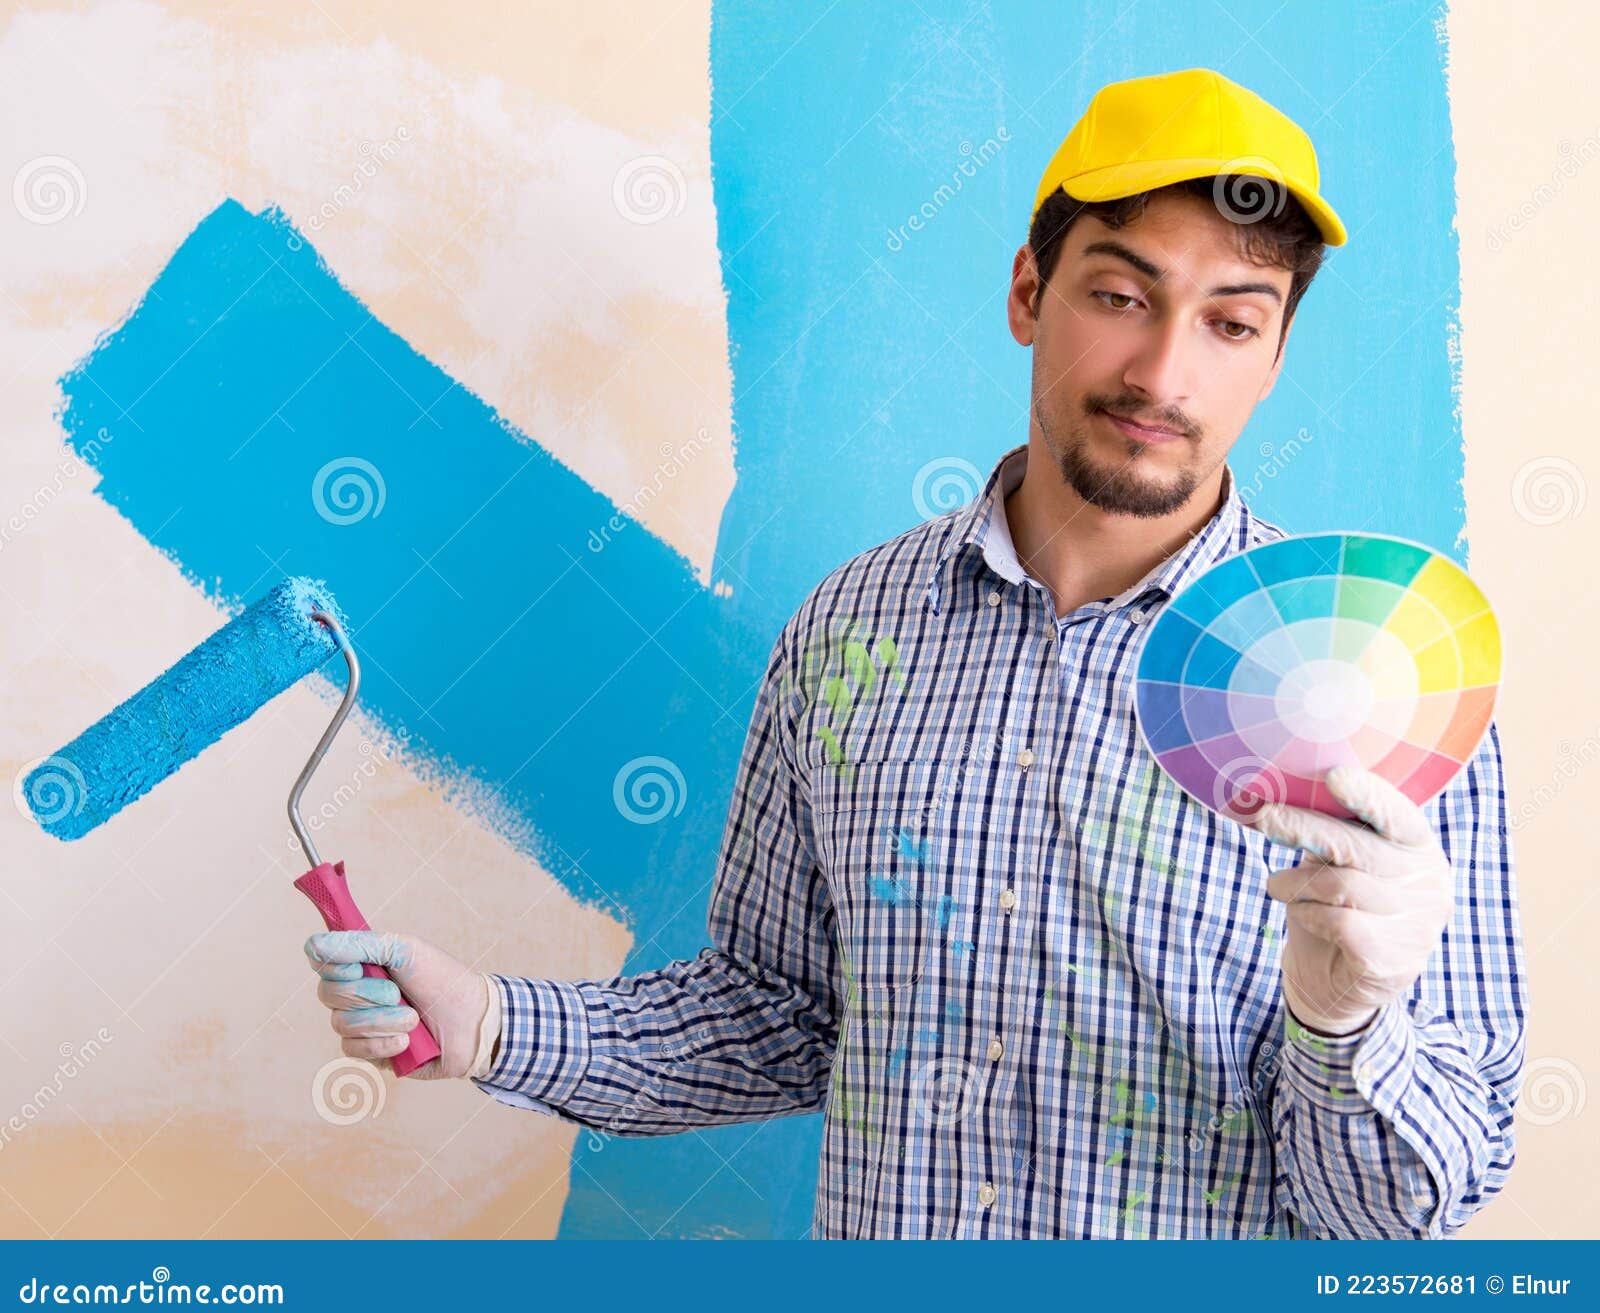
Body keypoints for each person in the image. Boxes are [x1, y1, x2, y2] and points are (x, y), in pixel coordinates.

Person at [305, 67, 1526, 1240]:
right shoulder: (849, 634)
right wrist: (492, 1027)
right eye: (1118, 295)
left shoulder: (1374, 685)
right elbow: (777, 1014)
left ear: (1272, 358)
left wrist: (1344, 1021)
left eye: (1229, 322)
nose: (1163, 371)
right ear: (1025, 291)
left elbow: (1403, 1213)